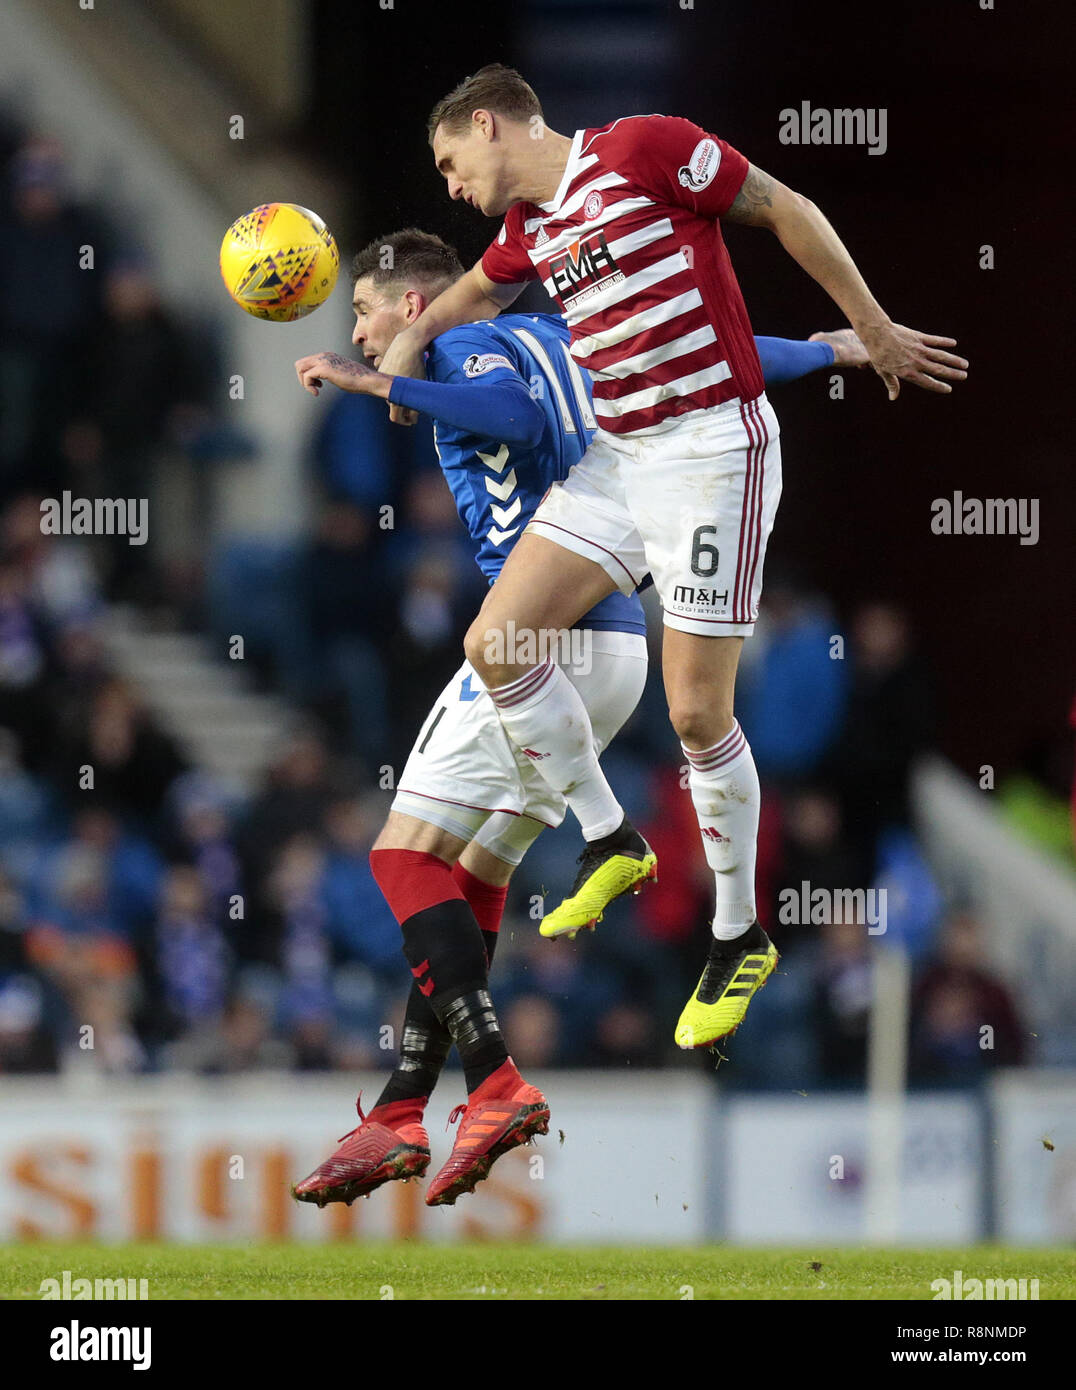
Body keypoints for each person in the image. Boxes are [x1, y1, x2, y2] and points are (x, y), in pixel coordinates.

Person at [374, 64, 966, 1055]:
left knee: (695, 711)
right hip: (620, 458)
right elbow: (468, 293)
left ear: (489, 125)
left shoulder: (643, 147)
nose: (448, 185)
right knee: (497, 640)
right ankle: (610, 836)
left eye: (449, 161)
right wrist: (401, 348)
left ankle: (737, 935)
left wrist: (864, 328)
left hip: (711, 457)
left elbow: (787, 208)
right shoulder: (528, 232)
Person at [291, 227, 865, 1207]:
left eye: (364, 311)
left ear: (412, 307)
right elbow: (709, 358)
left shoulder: (461, 351)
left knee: (398, 858)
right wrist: (821, 349)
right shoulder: (566, 336)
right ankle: (400, 1108)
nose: (358, 330)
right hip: (608, 654)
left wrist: (378, 384)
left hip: (536, 644)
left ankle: (496, 1078)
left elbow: (508, 414)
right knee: (467, 876)